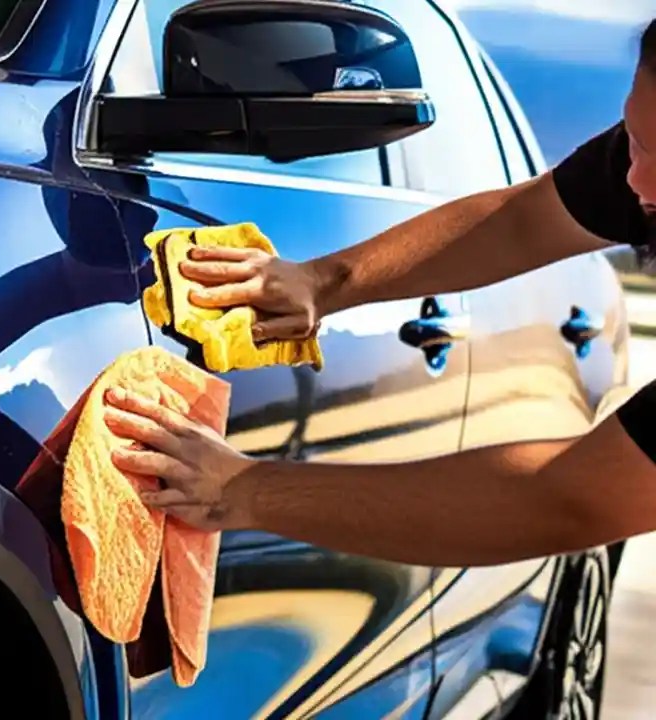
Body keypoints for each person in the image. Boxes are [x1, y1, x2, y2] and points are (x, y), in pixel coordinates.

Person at [100, 18, 656, 569]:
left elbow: (571, 500)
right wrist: (321, 282)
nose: (637, 184)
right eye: (634, 140)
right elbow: (523, 223)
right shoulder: (644, 164)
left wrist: (246, 491)